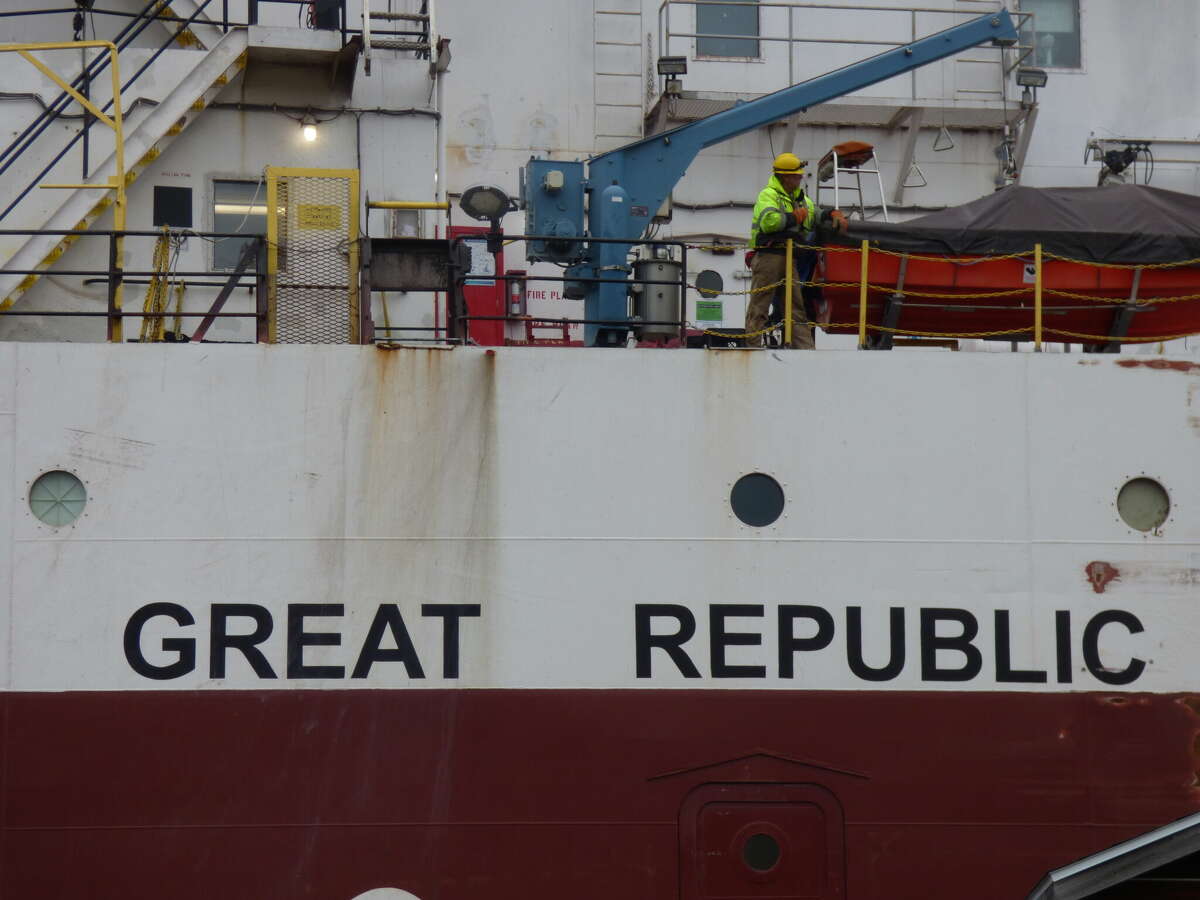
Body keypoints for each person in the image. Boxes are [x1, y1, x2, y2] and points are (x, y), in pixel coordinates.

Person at [745, 153, 837, 349]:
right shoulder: (768, 195)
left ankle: (805, 351)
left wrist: (831, 214)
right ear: (785, 177)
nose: (800, 178)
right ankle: (752, 347)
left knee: (796, 309)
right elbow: (769, 222)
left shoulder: (800, 198)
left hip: (789, 258)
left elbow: (815, 214)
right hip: (769, 257)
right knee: (759, 306)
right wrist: (794, 217)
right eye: (797, 175)